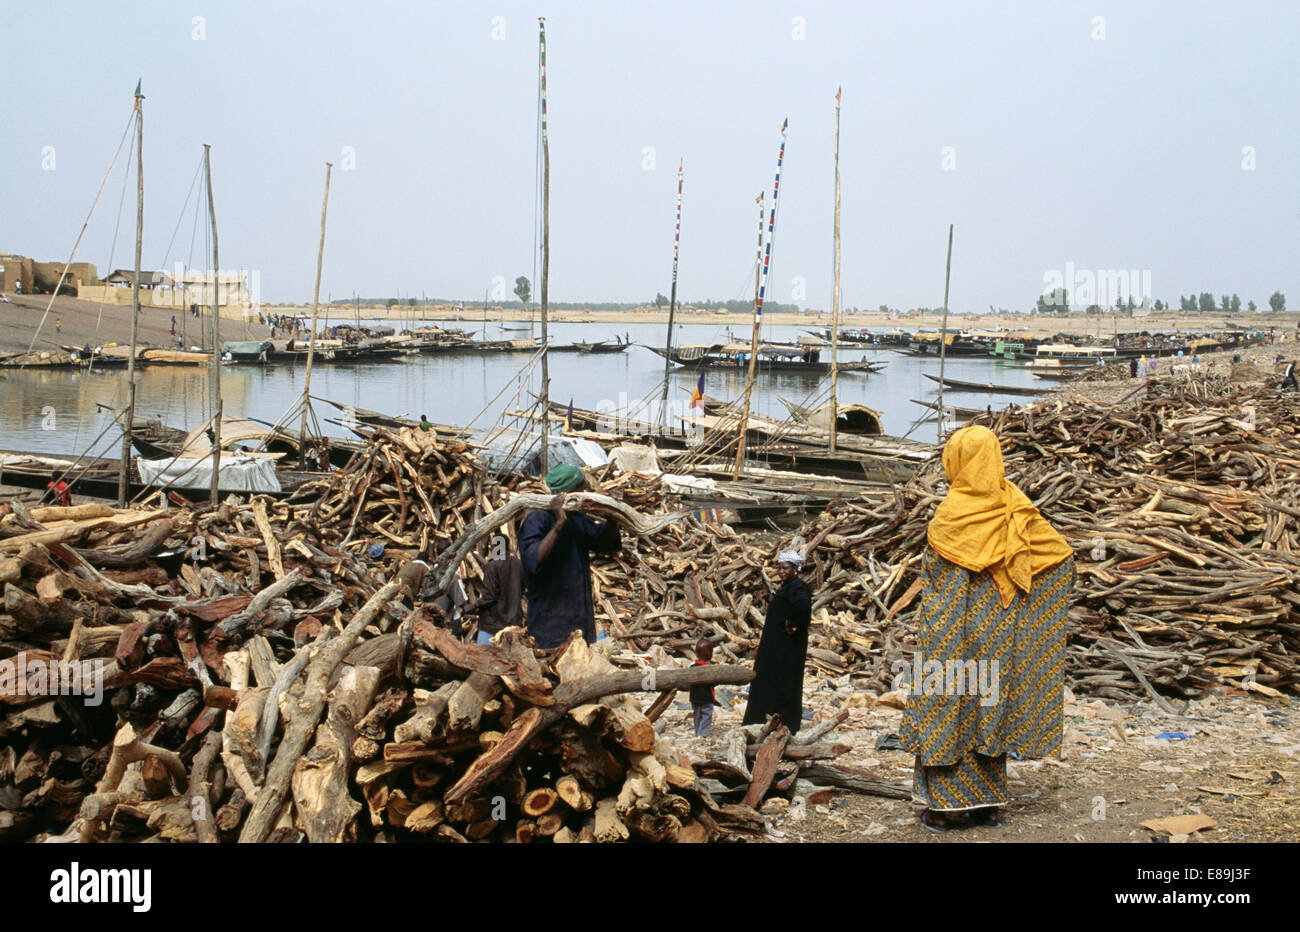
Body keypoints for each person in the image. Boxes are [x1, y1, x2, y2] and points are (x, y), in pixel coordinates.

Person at [899, 425, 1074, 833]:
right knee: (989, 711)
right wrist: (1026, 619)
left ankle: (943, 810)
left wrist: (936, 637)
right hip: (999, 638)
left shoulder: (952, 516)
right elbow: (1059, 559)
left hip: (953, 638)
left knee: (948, 708)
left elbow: (940, 588)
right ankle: (988, 807)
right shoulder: (1015, 505)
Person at [519, 464, 621, 648]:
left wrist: (612, 516)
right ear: (570, 493)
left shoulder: (577, 519)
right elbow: (533, 559)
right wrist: (559, 523)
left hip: (579, 620)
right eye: (581, 489)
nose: (585, 493)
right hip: (549, 623)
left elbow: (605, 543)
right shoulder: (537, 519)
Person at [741, 549, 812, 734]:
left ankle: (785, 721)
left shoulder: (798, 588)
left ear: (795, 568)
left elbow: (803, 610)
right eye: (779, 568)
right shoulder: (787, 587)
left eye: (786, 568)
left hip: (787, 647)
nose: (781, 571)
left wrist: (791, 626)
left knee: (785, 681)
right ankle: (765, 718)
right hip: (775, 644)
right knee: (769, 678)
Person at [463, 536, 523, 644]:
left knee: (484, 657)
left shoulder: (492, 566)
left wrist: (472, 607)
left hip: (492, 624)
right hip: (513, 623)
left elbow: (490, 597)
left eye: (492, 546)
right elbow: (521, 590)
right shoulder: (519, 565)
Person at [690, 638, 720, 736]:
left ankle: (697, 732)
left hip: (694, 698)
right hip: (707, 698)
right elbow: (713, 683)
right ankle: (702, 734)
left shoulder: (692, 667)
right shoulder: (709, 668)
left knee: (697, 715)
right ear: (708, 653)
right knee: (706, 716)